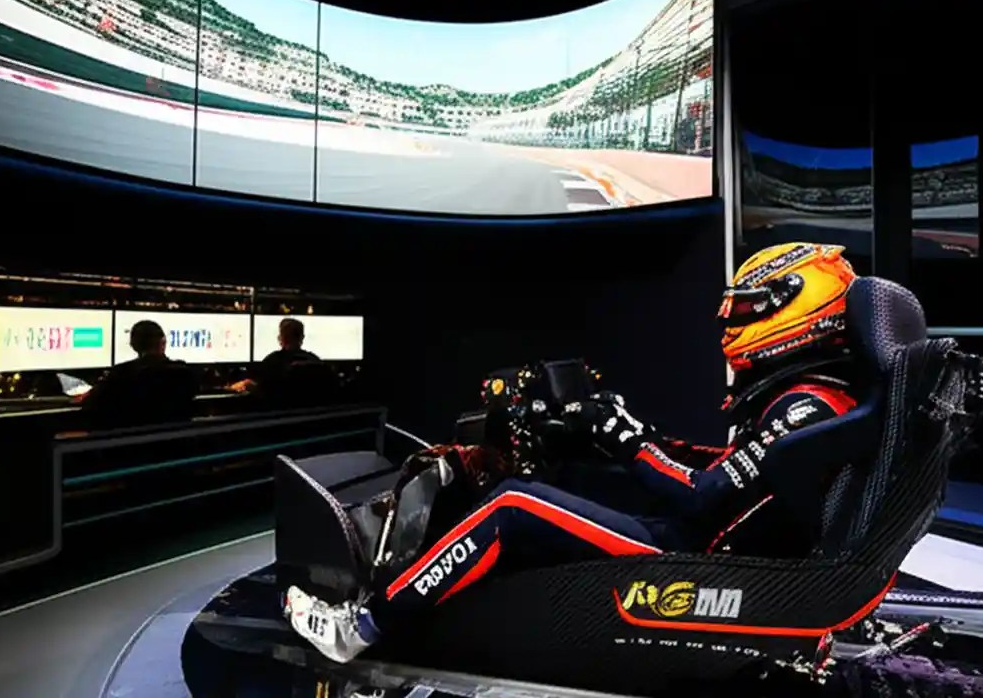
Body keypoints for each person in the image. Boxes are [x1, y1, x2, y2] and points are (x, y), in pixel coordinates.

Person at [286, 242, 859, 663]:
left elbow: (702, 495)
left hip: (694, 556)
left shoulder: (806, 409)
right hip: (718, 545)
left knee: (511, 505)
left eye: (745, 309)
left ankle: (358, 628)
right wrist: (635, 435)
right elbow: (726, 473)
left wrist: (629, 439)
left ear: (793, 309)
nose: (729, 323)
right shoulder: (819, 402)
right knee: (575, 478)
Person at [81, 319, 198, 428]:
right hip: (177, 443)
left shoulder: (119, 374)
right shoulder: (185, 374)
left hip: (130, 444)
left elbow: (91, 405)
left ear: (132, 345)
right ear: (163, 342)